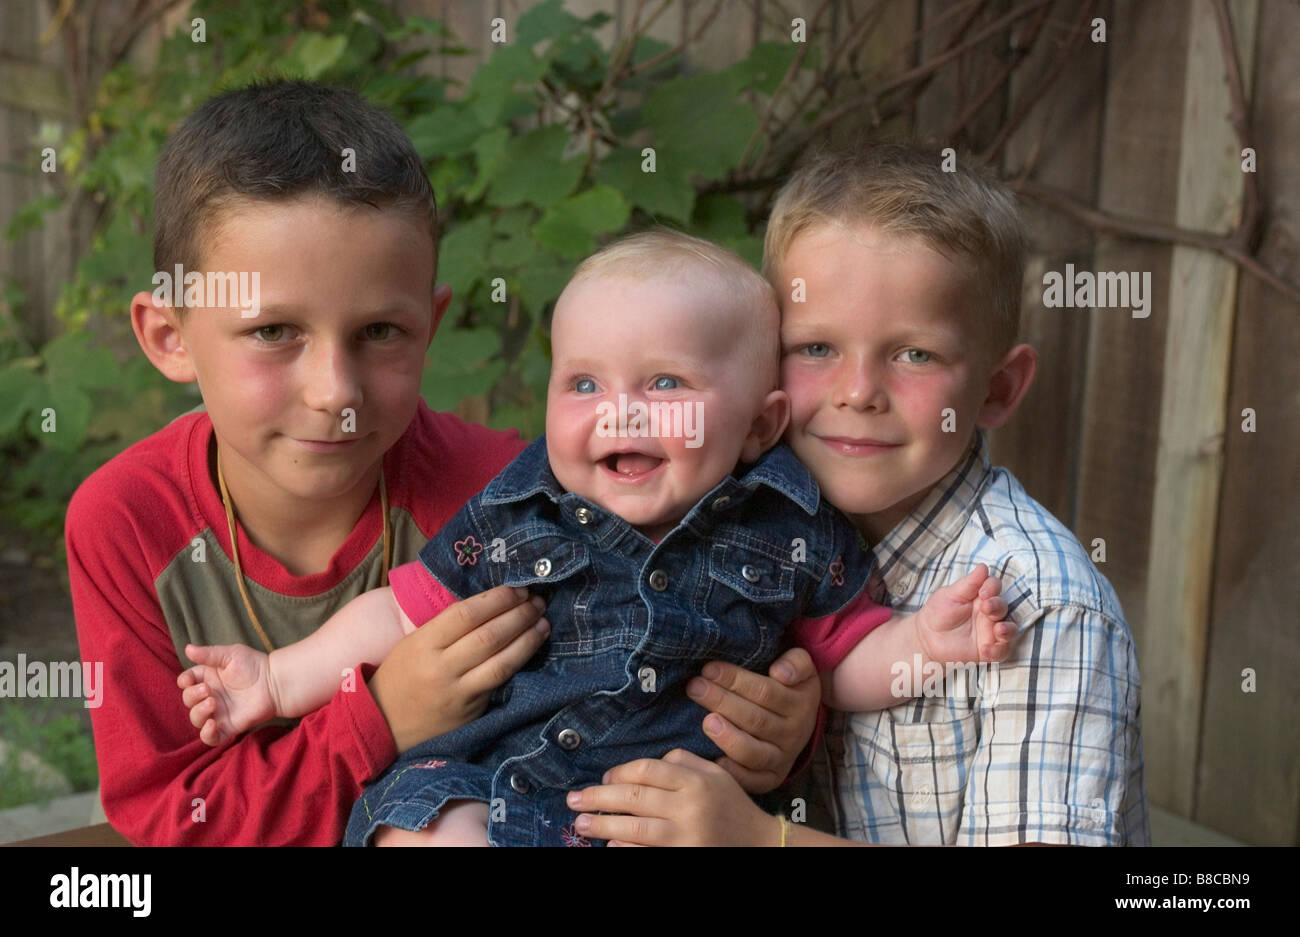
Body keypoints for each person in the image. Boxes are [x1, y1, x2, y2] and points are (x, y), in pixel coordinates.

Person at [65, 79, 823, 846]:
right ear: (170, 336)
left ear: (431, 325)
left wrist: (789, 724)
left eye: (380, 332)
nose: (336, 390)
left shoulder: (515, 491)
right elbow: (175, 819)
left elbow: (703, 623)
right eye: (273, 332)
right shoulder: (126, 521)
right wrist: (384, 717)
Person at [178, 230, 1016, 846]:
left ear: (760, 424)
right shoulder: (518, 510)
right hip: (495, 783)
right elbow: (396, 617)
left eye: (664, 383)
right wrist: (280, 679)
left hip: (665, 814)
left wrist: (923, 644)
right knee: (430, 828)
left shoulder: (789, 528)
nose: (620, 410)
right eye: (583, 382)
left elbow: (841, 656)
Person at [568, 144, 1150, 847]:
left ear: (997, 387)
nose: (857, 392)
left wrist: (761, 840)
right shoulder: (716, 518)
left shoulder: (1037, 600)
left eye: (914, 354)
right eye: (816, 347)